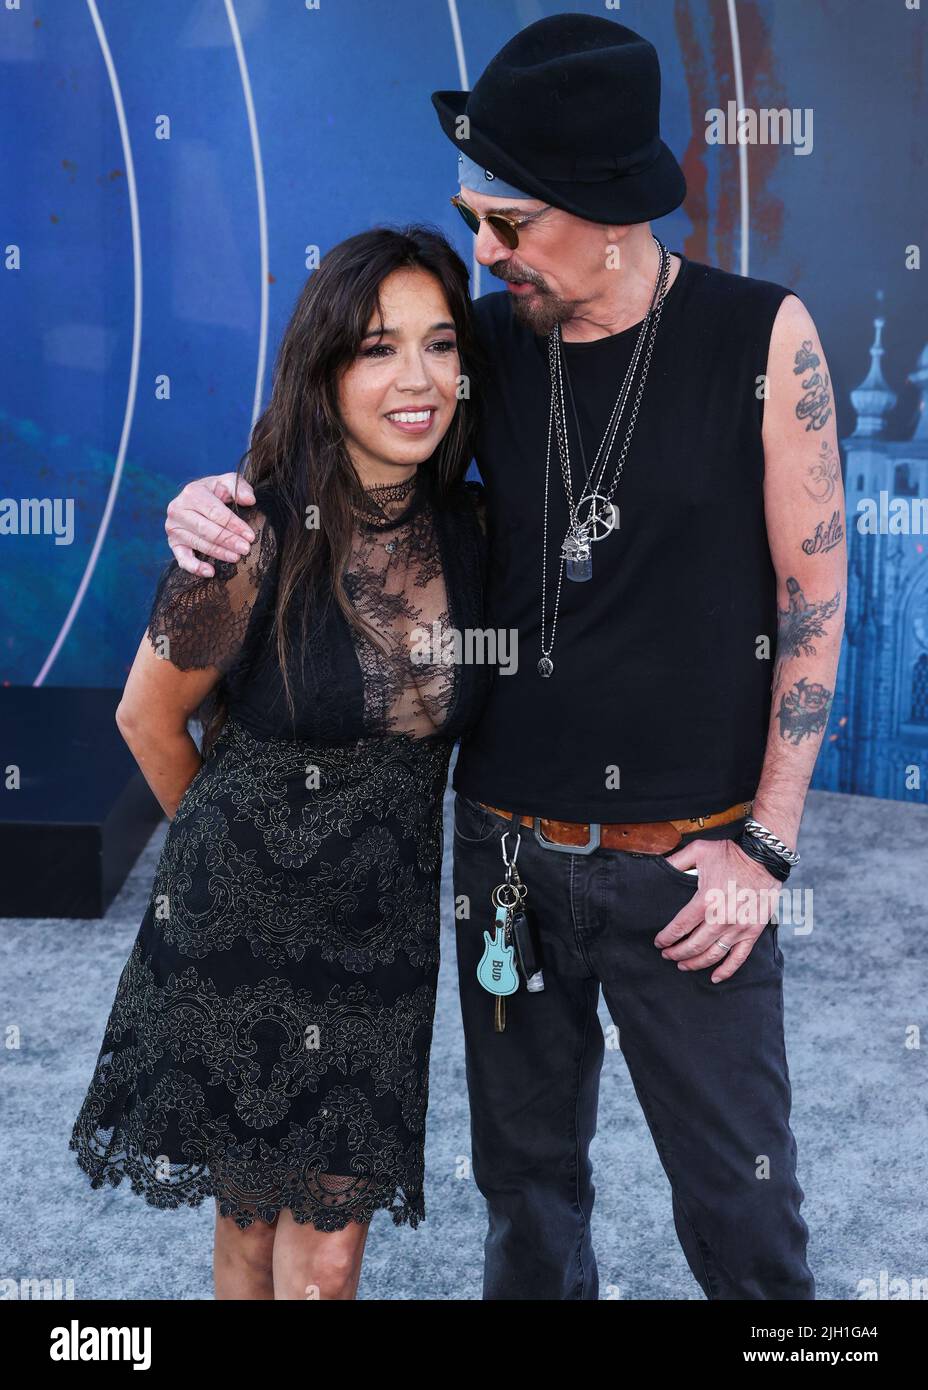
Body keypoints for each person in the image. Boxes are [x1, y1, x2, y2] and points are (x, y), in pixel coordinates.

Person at [162, 14, 847, 1300]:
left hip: (691, 866)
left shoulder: (763, 339)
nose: (484, 250)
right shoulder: (481, 342)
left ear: (601, 208)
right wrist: (215, 500)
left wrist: (765, 845)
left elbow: (816, 593)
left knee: (745, 1221)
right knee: (525, 1207)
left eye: (508, 222)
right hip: (506, 859)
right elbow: (343, 439)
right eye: (474, 218)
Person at [69, 224, 492, 1300]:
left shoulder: (477, 530)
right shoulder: (249, 535)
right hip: (240, 928)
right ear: (323, 369)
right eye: (376, 348)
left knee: (327, 1253)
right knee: (258, 1242)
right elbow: (145, 720)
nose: (416, 377)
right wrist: (227, 859)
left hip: (381, 939)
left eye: (439, 344)